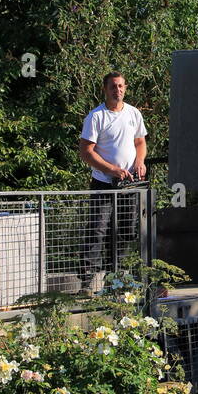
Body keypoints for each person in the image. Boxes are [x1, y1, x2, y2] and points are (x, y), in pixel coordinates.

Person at [79, 72, 148, 290]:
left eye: (120, 86)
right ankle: (87, 282)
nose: (117, 90)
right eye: (112, 87)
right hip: (103, 182)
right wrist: (111, 170)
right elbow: (86, 152)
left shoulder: (134, 113)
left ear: (125, 88)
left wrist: (140, 161)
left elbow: (140, 142)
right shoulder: (96, 116)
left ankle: (116, 278)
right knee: (98, 230)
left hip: (129, 183)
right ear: (105, 89)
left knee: (127, 229)